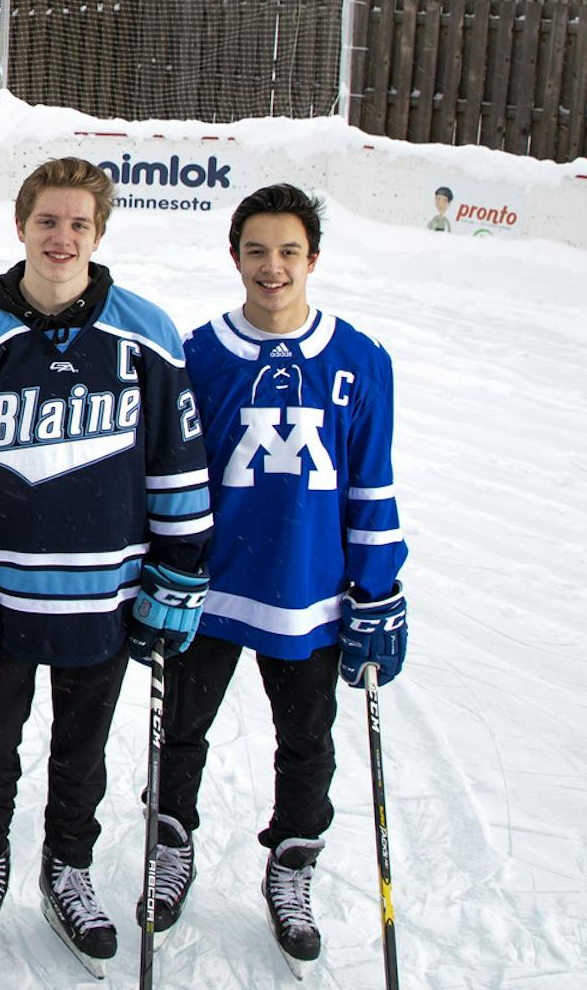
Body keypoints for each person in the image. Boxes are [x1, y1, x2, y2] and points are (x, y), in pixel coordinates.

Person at [0, 156, 212, 970]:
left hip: (106, 595)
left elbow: (177, 461)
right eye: (48, 220)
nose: (62, 236)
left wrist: (178, 572)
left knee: (83, 751)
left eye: (79, 223)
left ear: (99, 232)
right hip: (3, 600)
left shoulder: (145, 331)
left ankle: (68, 868)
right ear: (21, 226)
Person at [161, 183, 407, 967]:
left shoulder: (360, 360)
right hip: (211, 591)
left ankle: (291, 864)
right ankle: (171, 845)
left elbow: (372, 480)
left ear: (314, 259)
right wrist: (160, 568)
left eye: (289, 251)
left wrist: (379, 589)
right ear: (234, 256)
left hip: (309, 595)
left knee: (307, 742)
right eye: (257, 250)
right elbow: (166, 477)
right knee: (181, 733)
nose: (273, 267)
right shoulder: (196, 356)